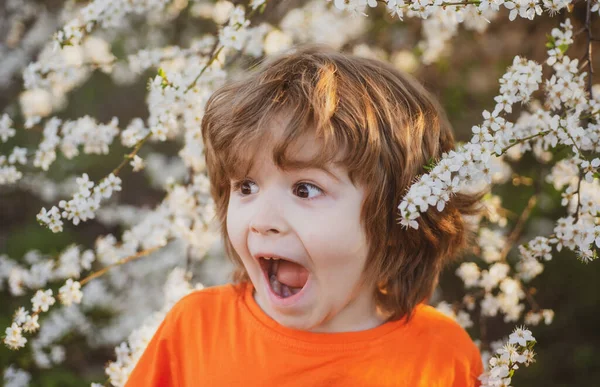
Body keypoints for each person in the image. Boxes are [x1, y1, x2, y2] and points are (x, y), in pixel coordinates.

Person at [125, 44, 487, 386]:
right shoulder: (195, 330)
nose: (262, 220)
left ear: (400, 216)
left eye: (305, 189)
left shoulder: (442, 359)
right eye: (246, 187)